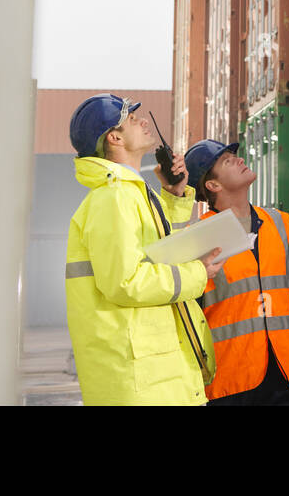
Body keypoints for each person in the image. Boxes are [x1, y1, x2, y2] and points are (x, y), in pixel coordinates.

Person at [64, 93, 225, 405]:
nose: (143, 121)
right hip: (141, 380)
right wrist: (197, 273)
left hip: (153, 373)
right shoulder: (114, 198)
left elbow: (162, 255)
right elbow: (125, 282)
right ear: (114, 137)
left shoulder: (132, 194)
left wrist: (175, 195)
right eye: (132, 119)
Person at [181, 139, 289, 405]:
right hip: (230, 382)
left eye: (235, 155)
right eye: (227, 160)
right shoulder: (199, 238)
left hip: (281, 372)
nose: (239, 159)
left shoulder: (278, 224)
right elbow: (189, 318)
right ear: (213, 185)